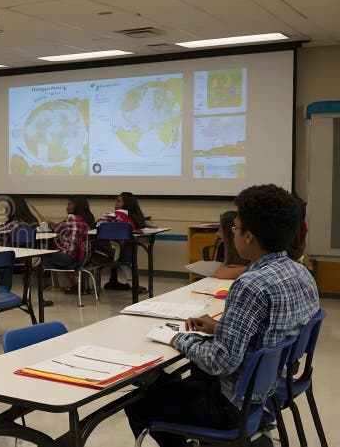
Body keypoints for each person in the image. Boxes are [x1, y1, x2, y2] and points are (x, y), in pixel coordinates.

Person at [125, 184, 320, 447]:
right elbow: (272, 332)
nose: (233, 233)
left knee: (139, 403)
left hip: (232, 405)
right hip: (264, 392)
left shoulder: (251, 284)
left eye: (235, 228)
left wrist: (178, 338)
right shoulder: (301, 273)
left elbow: (220, 362)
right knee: (183, 376)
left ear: (249, 236)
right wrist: (220, 328)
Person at [37, 196, 95, 271]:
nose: (67, 207)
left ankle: (44, 281)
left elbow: (57, 228)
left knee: (44, 257)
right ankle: (55, 280)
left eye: (70, 204)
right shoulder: (87, 219)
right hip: (81, 259)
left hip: (68, 256)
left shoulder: (72, 218)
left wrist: (47, 222)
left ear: (77, 206)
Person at [103, 191, 145, 291]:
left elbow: (98, 224)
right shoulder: (133, 218)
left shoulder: (113, 216)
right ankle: (128, 284)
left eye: (118, 201)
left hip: (107, 254)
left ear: (126, 204)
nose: (115, 204)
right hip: (124, 254)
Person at [215, 210, 249, 279]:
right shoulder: (223, 246)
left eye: (220, 229)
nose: (217, 233)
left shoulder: (244, 248)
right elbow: (222, 270)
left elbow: (221, 273)